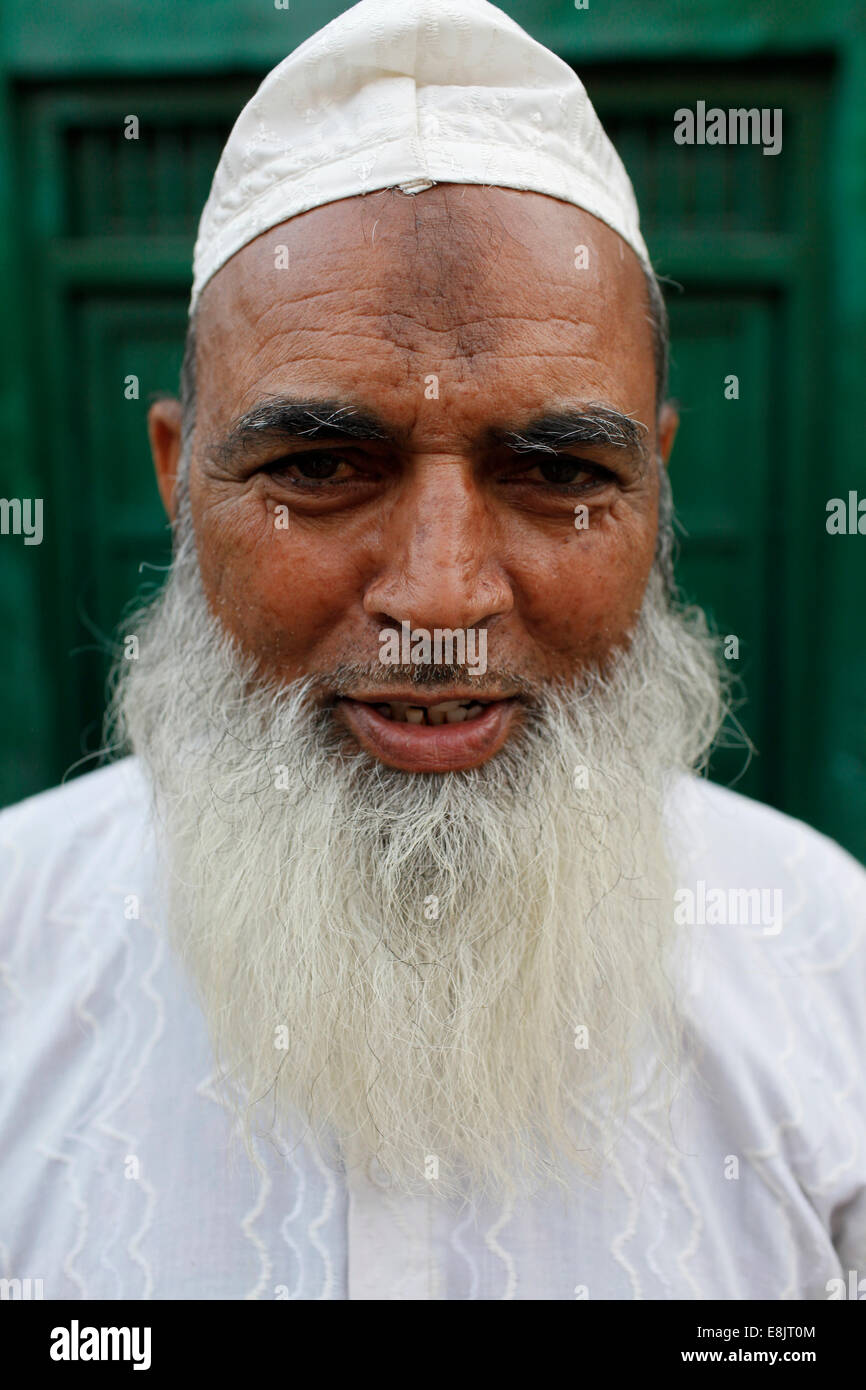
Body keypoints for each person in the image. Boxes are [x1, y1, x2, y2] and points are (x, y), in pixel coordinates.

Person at [1, 0, 864, 1300]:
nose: (440, 596)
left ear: (657, 488)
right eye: (319, 466)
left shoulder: (829, 967)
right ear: (180, 480)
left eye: (558, 470)